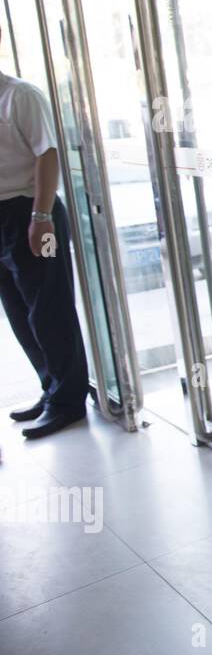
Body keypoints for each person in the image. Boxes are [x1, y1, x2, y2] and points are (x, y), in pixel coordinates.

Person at [0, 36, 90, 439]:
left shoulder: (20, 96)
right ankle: (51, 388)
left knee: (49, 307)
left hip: (33, 213)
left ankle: (68, 401)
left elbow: (47, 153)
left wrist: (41, 216)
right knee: (19, 312)